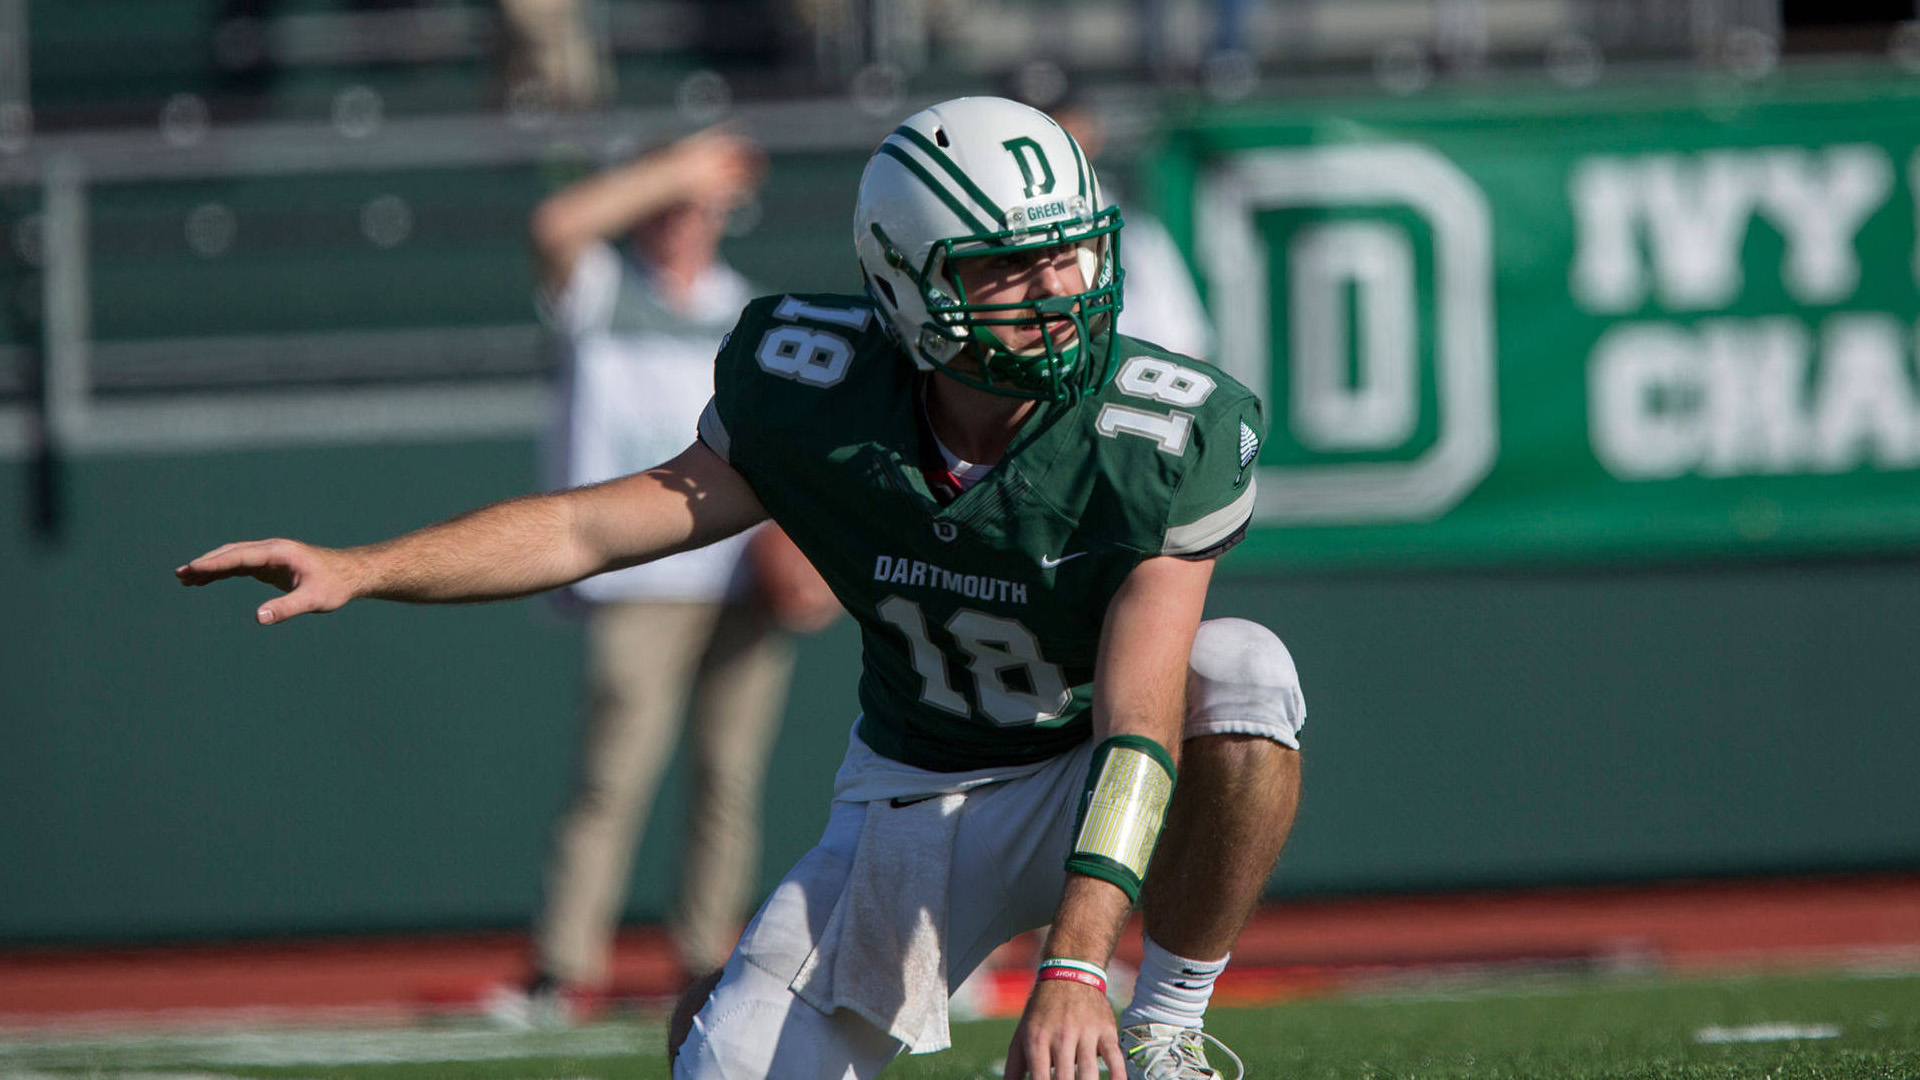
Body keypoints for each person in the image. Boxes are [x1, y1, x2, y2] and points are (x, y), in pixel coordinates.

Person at [177, 96, 1305, 1080]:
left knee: (1243, 672)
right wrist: (365, 567)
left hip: (1087, 767)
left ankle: (1169, 1030)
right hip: (917, 796)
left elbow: (1139, 723)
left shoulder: (1161, 427)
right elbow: (585, 524)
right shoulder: (816, 381)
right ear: (907, 281)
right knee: (722, 1054)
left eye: (1069, 252)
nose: (1055, 291)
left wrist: (1075, 968)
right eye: (1006, 266)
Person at [510, 127, 839, 1018]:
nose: (679, 220)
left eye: (695, 205)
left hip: (738, 577)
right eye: (665, 203)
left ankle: (703, 963)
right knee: (612, 776)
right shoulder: (600, 287)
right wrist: (673, 167)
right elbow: (555, 225)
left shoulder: (747, 309)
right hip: (638, 573)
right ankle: (562, 966)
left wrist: (805, 549)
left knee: (727, 780)